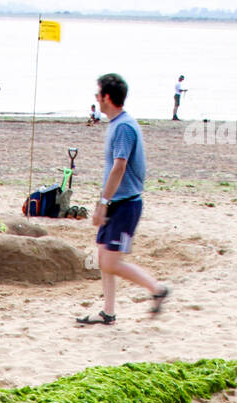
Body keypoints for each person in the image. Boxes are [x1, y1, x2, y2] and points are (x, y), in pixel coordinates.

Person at [76, 73, 169, 326]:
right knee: (104, 257)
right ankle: (108, 312)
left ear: (107, 97)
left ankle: (157, 289)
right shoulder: (117, 124)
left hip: (125, 204)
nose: (96, 99)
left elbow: (119, 166)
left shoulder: (124, 127)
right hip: (115, 201)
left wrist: (102, 203)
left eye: (98, 95)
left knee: (111, 261)